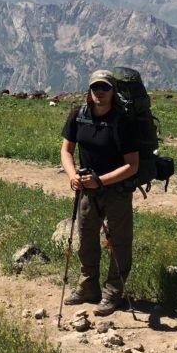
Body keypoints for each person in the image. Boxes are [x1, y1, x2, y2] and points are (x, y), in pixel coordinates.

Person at [60, 69, 139, 316]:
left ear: (113, 91)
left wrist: (101, 181)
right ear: (89, 90)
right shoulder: (78, 115)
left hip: (116, 190)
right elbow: (66, 150)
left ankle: (114, 292)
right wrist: (73, 176)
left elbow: (132, 165)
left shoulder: (123, 122)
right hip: (86, 188)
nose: (100, 92)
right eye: (96, 87)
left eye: (105, 88)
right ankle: (88, 287)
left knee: (119, 241)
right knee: (86, 237)